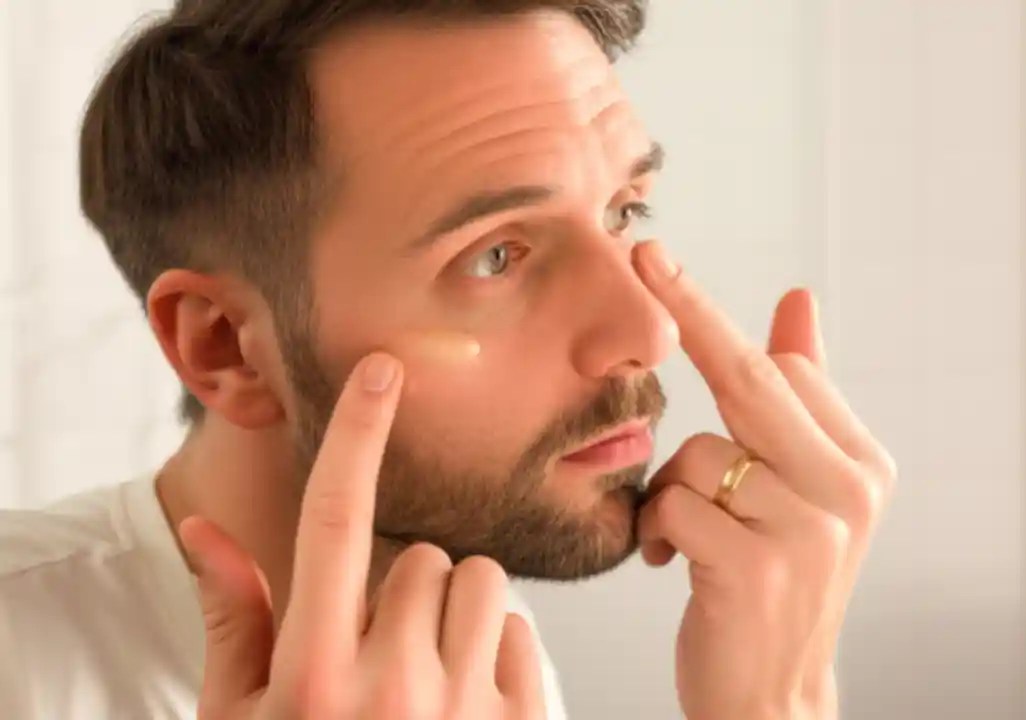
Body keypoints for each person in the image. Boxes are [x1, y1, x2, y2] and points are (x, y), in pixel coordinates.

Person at [0, 0, 897, 717]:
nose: (648, 331)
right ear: (225, 346)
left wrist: (773, 701)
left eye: (624, 211)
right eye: (496, 255)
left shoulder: (469, 640)